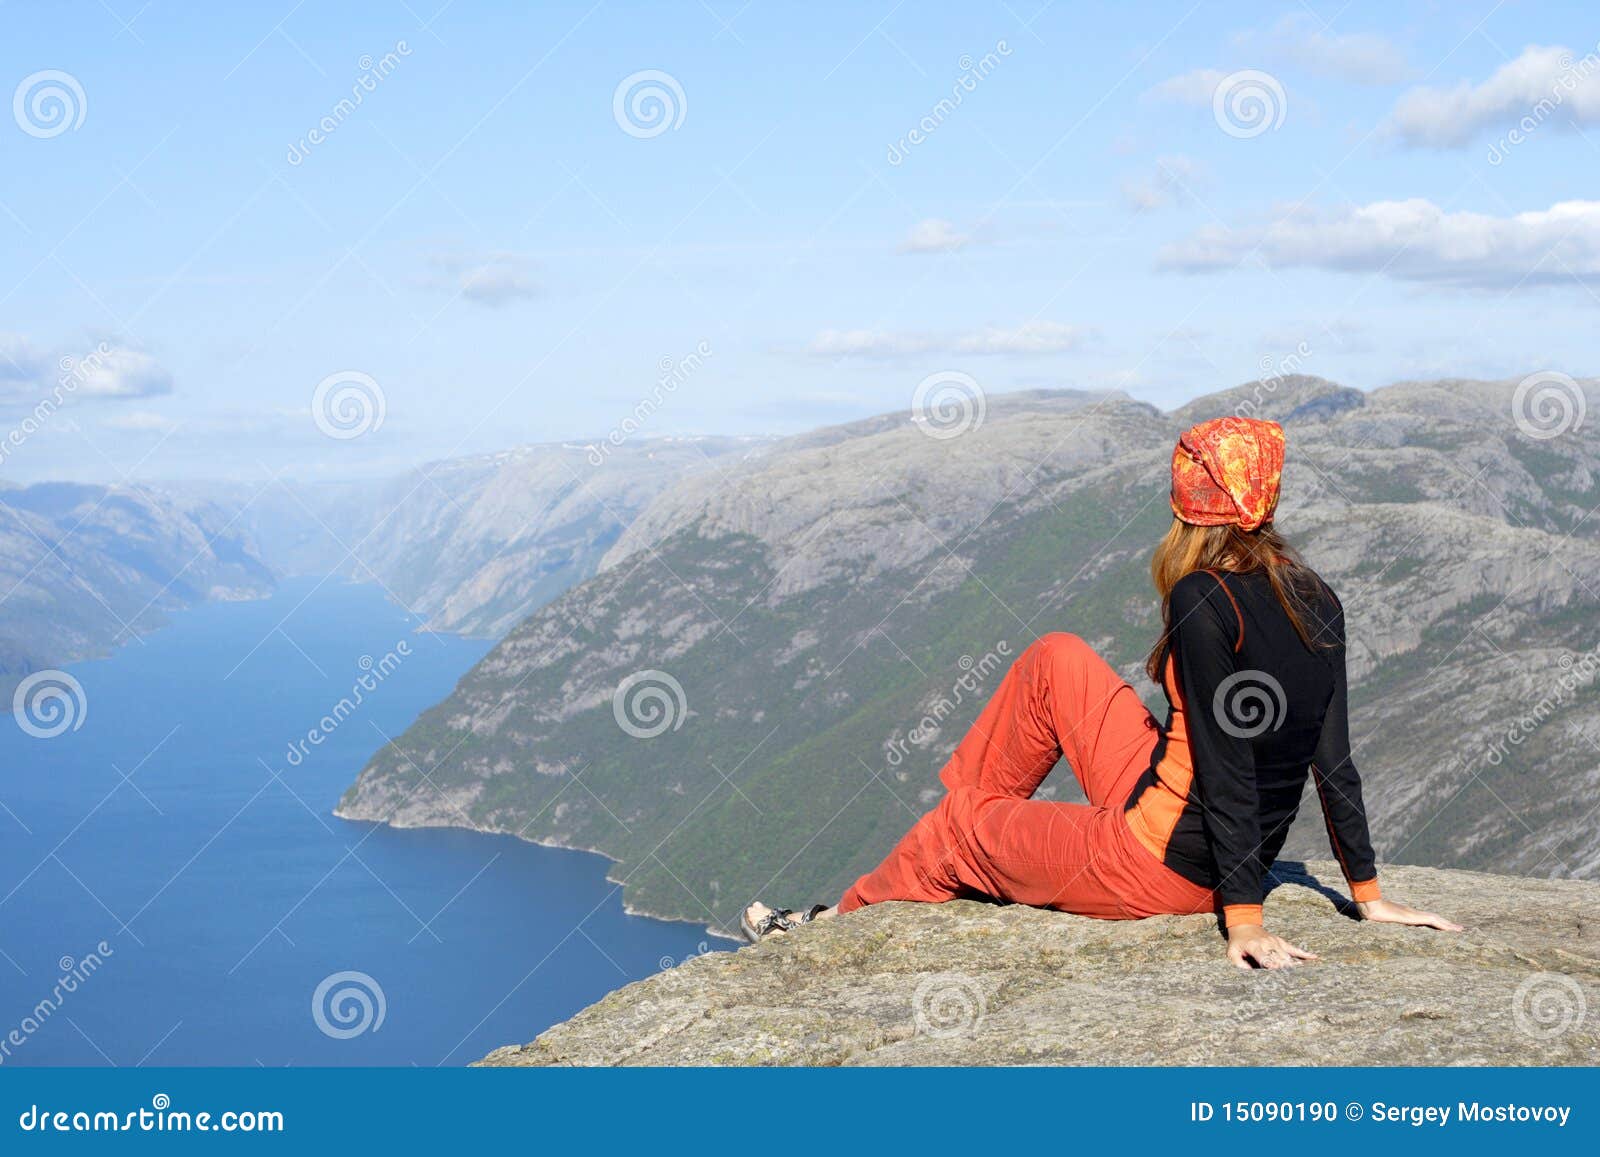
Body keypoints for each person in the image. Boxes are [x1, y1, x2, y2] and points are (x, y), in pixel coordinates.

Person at [741, 416, 1462, 969]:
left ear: (1190, 506)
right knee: (1057, 658)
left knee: (953, 826)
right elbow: (1334, 760)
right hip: (1180, 822)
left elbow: (1226, 763)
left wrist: (1243, 918)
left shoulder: (1202, 596)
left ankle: (836, 924)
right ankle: (987, 836)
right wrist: (1366, 894)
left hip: (1161, 865)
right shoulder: (1317, 596)